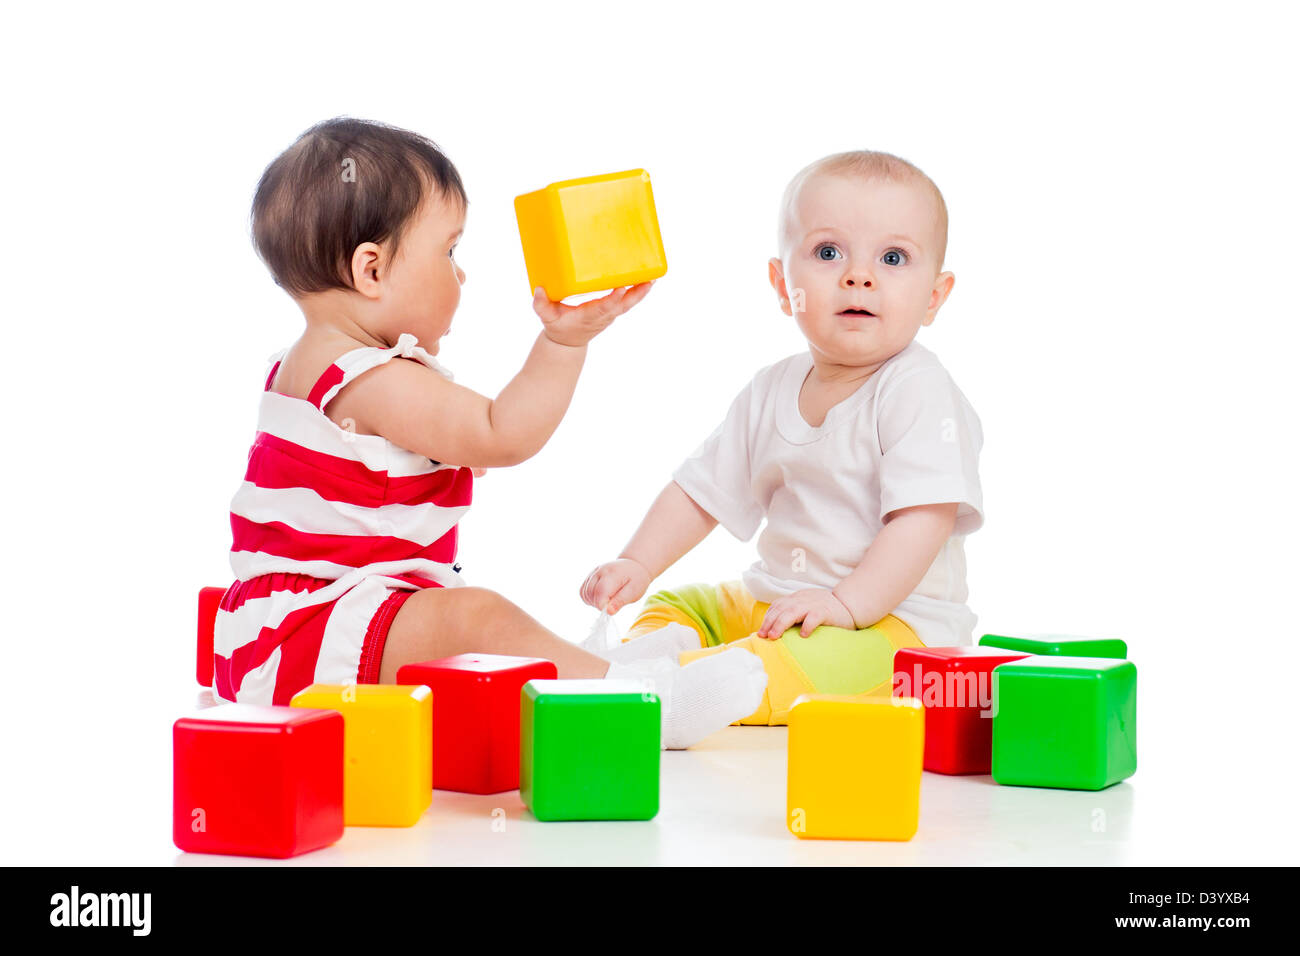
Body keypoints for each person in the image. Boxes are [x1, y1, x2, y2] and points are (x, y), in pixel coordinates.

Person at [215, 117, 766, 748]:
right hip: (308, 640)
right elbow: (502, 433)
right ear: (371, 271)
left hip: (306, 626)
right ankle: (639, 701)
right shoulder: (368, 376)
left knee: (470, 620)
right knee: (475, 617)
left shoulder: (318, 364)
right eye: (449, 252)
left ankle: (602, 671)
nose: (462, 275)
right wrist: (563, 342)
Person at [581, 150, 984, 725]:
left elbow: (923, 520)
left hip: (893, 626)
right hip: (777, 600)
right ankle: (664, 663)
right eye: (827, 252)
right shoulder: (771, 388)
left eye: (893, 258)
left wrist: (847, 604)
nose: (858, 275)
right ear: (781, 283)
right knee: (680, 603)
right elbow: (700, 491)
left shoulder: (917, 388)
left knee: (783, 666)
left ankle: (685, 691)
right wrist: (638, 563)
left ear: (934, 298)